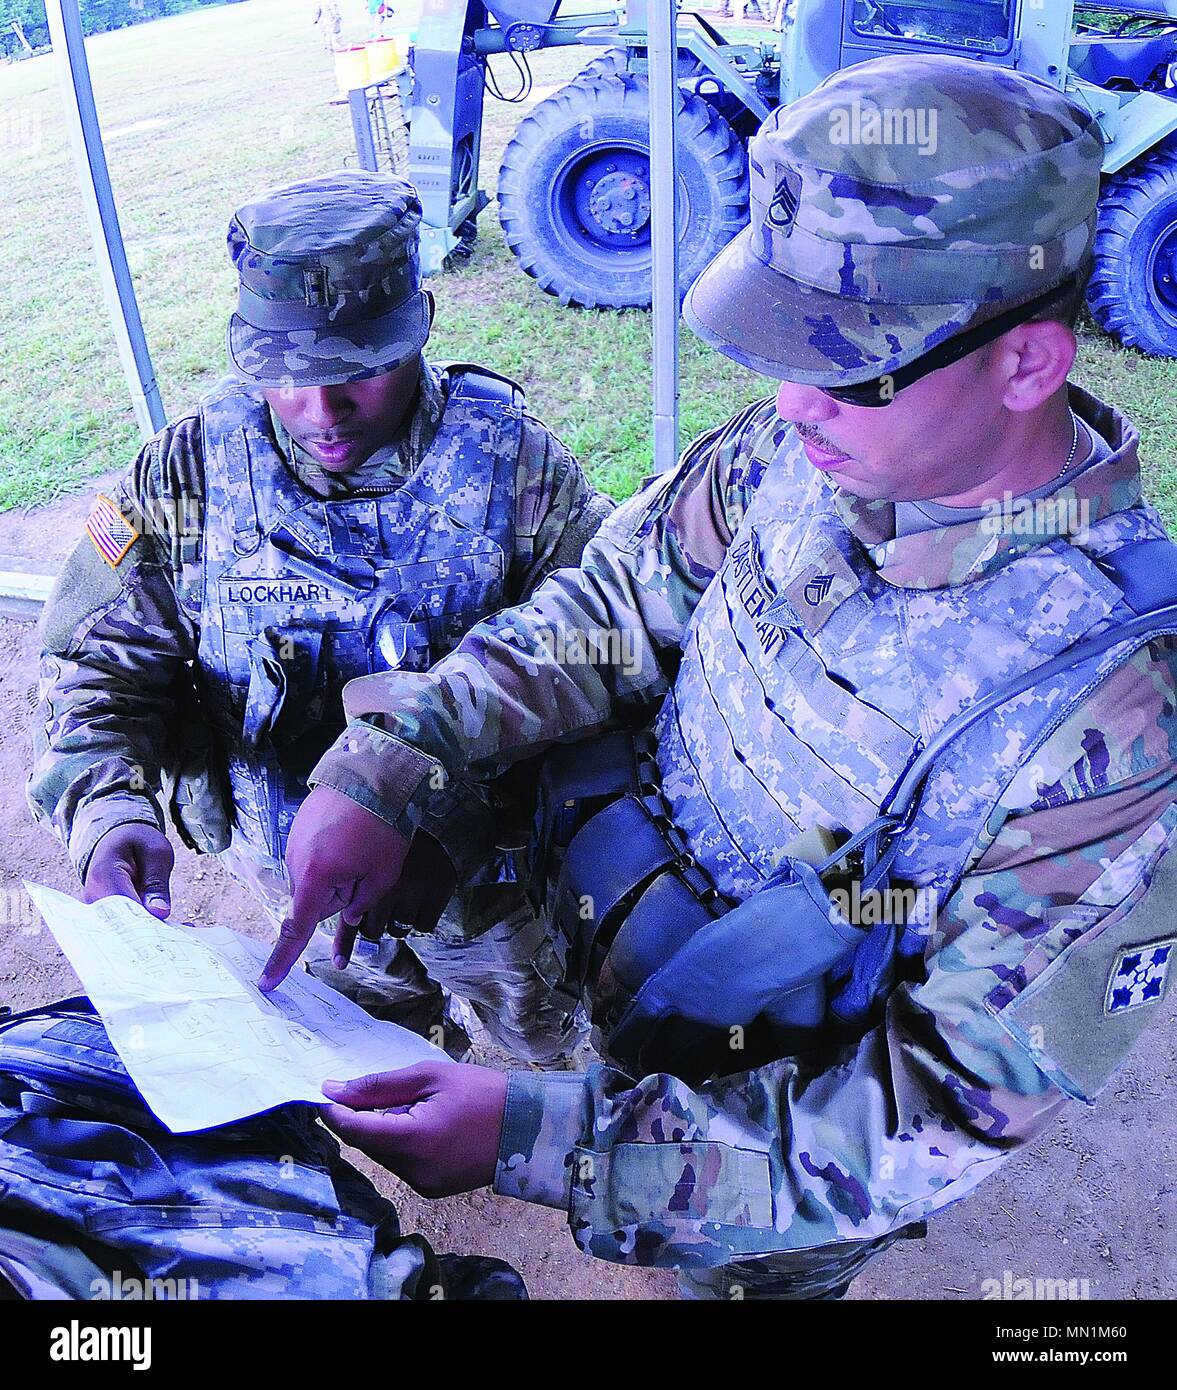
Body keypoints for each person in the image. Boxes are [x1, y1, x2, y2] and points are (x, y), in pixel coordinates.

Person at [255, 57, 1177, 1299]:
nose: (789, 399)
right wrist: (402, 749)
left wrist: (546, 1142)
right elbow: (613, 609)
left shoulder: (1116, 717)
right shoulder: (806, 450)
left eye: (848, 363)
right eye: (785, 342)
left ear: (1026, 364)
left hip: (764, 1160)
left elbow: (933, 1110)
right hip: (608, 968)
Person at [29, 171, 612, 1067]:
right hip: (290, 884)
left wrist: (452, 827)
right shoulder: (187, 474)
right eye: (286, 377)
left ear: (419, 326)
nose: (323, 410)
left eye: (360, 370)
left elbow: (600, 677)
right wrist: (107, 808)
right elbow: (95, 667)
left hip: (487, 898)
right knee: (356, 1055)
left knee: (545, 1053)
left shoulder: (519, 472)